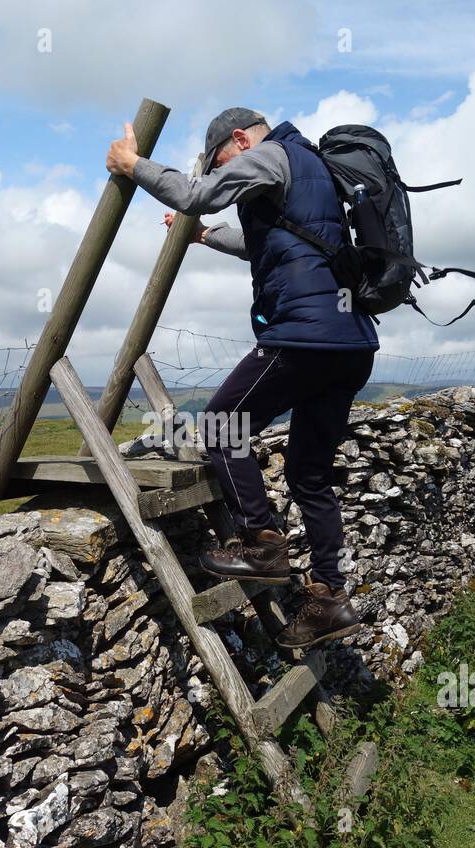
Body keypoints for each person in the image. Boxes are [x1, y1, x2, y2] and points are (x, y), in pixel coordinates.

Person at [105, 107, 378, 650]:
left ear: (237, 139)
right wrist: (207, 238)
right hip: (353, 344)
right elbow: (276, 242)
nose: (227, 170)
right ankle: (329, 598)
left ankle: (263, 544)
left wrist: (134, 164)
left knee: (223, 423)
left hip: (306, 338)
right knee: (310, 475)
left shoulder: (271, 154)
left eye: (222, 160)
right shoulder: (313, 170)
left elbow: (196, 193)